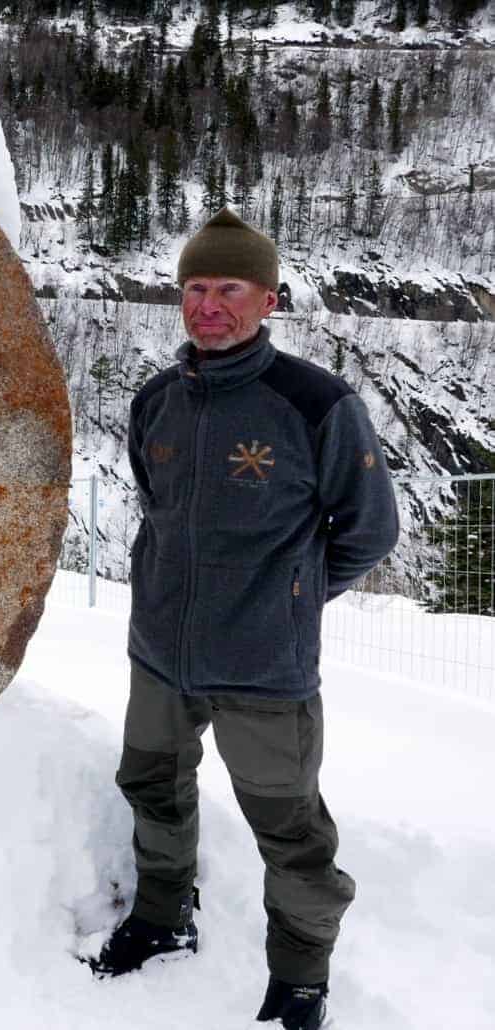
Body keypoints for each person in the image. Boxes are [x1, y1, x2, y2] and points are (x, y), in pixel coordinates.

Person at [86, 208, 400, 1030]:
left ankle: (300, 977)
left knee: (289, 830)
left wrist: (288, 599)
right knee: (155, 787)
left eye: (229, 288)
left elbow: (368, 529)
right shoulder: (158, 400)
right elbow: (159, 510)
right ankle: (162, 918)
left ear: (269, 299)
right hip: (159, 654)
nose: (208, 304)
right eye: (195, 287)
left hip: (264, 670)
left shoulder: (315, 403)